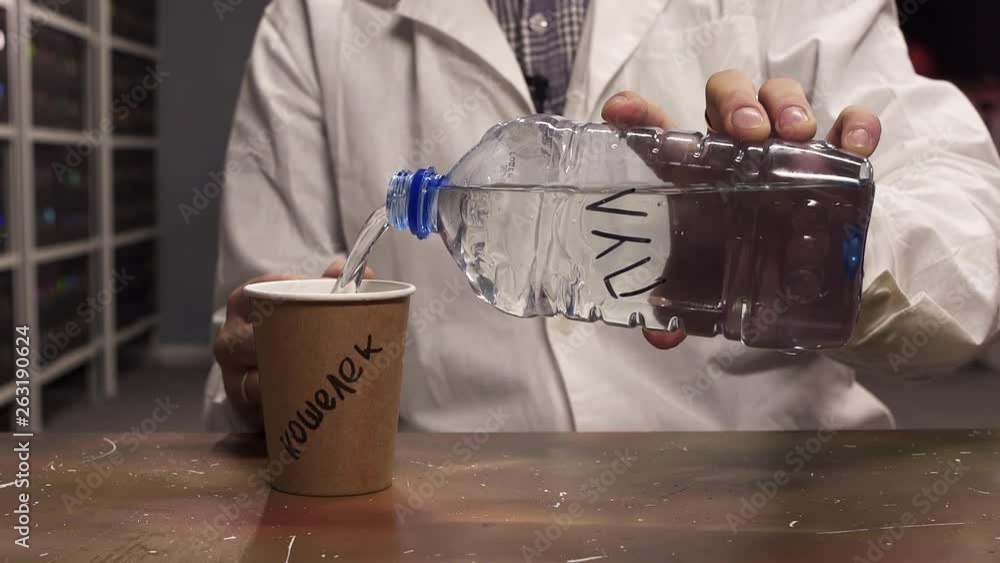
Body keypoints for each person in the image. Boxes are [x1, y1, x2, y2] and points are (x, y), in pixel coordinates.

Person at [205, 0, 1000, 432]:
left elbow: (973, 257)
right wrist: (259, 368)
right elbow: (249, 344)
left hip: (776, 515)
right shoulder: (314, 20)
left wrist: (818, 254)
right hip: (460, 526)